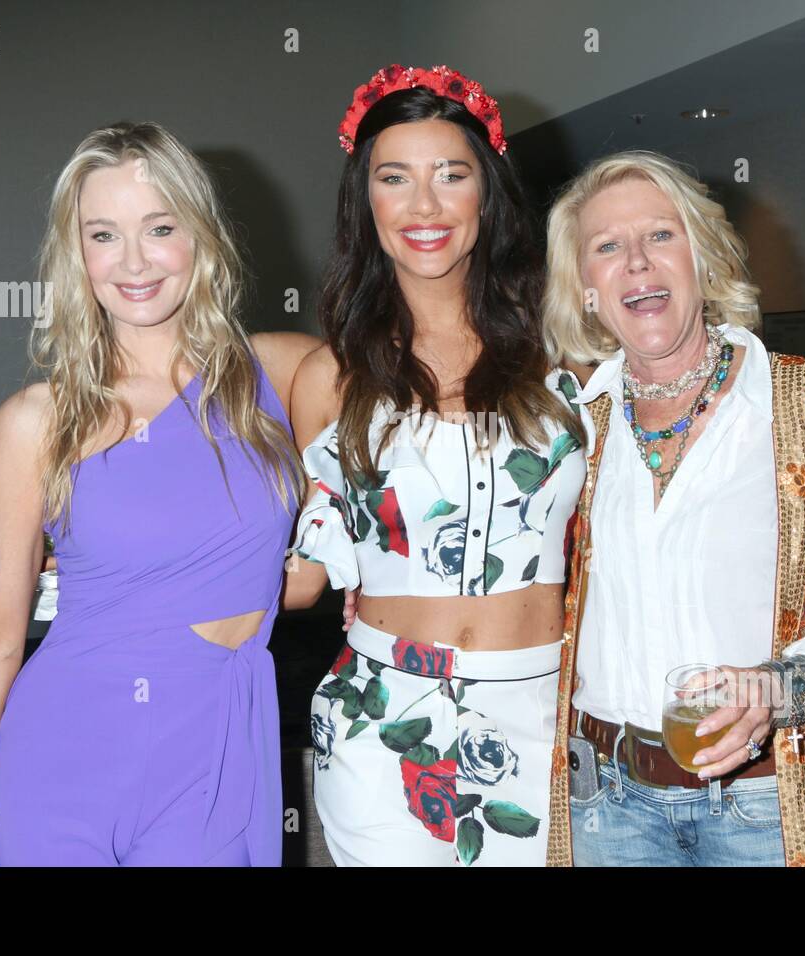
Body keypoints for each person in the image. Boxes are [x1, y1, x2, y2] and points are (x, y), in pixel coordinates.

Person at [0, 121, 318, 866]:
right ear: (76, 254)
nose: (135, 261)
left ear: (201, 237)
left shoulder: (281, 372)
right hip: (65, 753)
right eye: (104, 235)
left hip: (219, 746)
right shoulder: (36, 420)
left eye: (159, 227)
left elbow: (419, 390)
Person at [540, 150, 805, 866]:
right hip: (603, 809)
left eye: (661, 235)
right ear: (584, 286)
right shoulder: (566, 431)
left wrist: (787, 688)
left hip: (765, 810)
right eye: (607, 247)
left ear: (704, 258)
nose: (637, 264)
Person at [283, 65, 588, 866]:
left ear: (486, 195)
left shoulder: (567, 355)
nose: (425, 206)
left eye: (451, 176)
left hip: (543, 716)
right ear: (366, 202)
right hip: (381, 719)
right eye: (396, 179)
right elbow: (306, 569)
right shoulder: (329, 376)